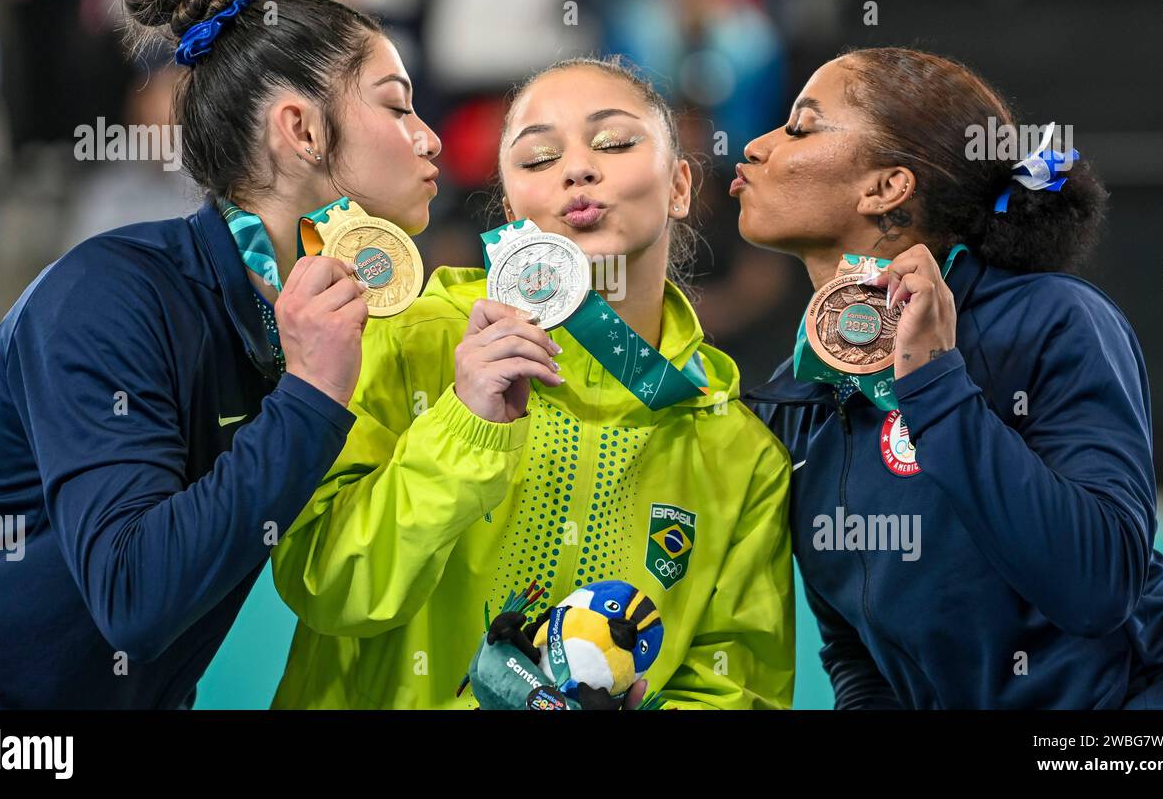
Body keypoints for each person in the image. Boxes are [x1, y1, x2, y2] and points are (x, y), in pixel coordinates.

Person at [0, 0, 443, 707]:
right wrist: (308, 395)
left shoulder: (312, 325)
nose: (428, 138)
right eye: (396, 105)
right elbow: (135, 597)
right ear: (300, 130)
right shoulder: (106, 298)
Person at [271, 57, 795, 709]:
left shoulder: (738, 452)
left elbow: (735, 692)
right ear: (512, 203)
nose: (577, 169)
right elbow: (330, 588)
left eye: (615, 143)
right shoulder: (412, 338)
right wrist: (464, 423)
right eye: (539, 158)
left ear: (681, 186)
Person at [739, 46, 1163, 708]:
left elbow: (1099, 588)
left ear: (886, 187)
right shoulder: (798, 398)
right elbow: (862, 655)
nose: (757, 148)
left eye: (801, 127)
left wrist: (935, 381)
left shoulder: (1050, 318)